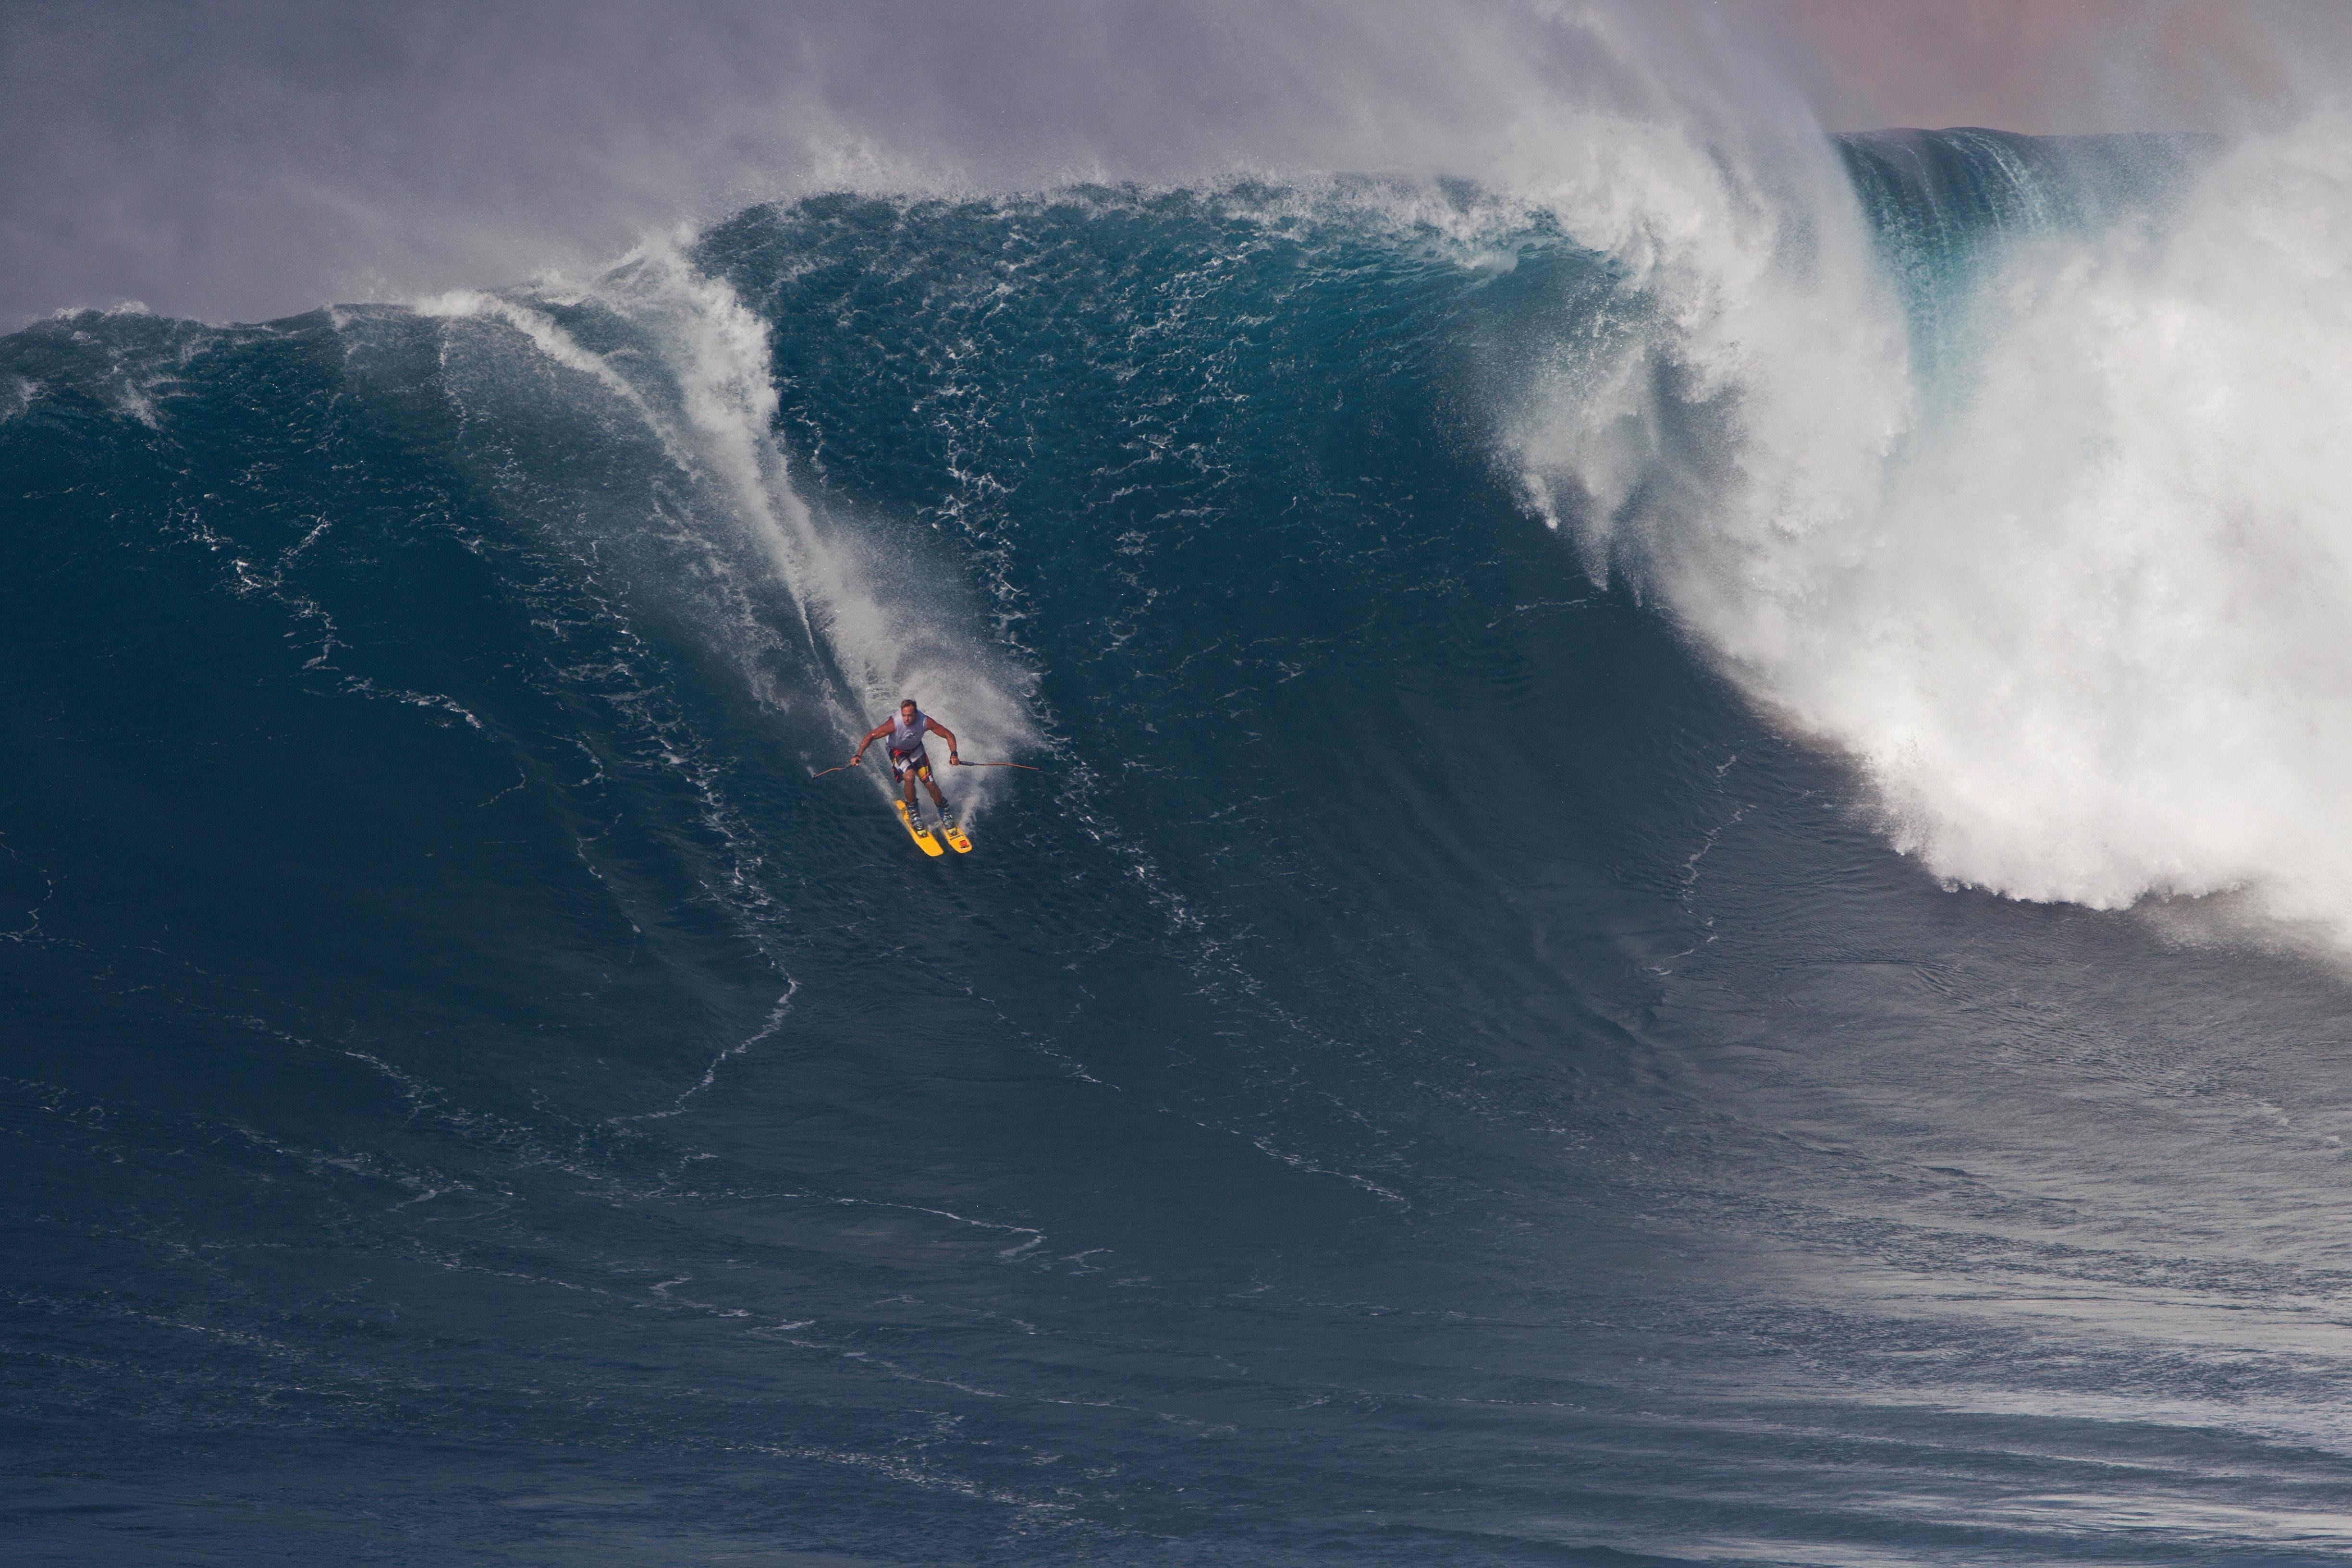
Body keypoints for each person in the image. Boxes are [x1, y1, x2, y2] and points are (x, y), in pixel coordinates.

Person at [852, 699, 959, 827]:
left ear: (916, 714)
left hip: (916, 750)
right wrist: (859, 755)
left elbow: (948, 734)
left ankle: (944, 810)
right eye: (904, 715)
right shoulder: (894, 723)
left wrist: (954, 754)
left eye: (910, 716)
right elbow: (871, 736)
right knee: (909, 777)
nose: (906, 719)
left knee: (930, 783)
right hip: (897, 751)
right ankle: (914, 812)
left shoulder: (925, 721)